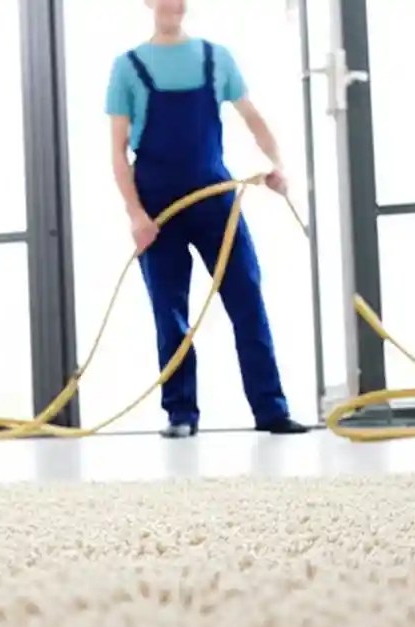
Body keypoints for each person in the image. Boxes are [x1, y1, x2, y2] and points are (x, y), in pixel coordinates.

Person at [106, 0, 310, 439]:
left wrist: (278, 165)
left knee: (246, 298)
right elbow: (117, 152)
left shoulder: (217, 59)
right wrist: (136, 215)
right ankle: (181, 412)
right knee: (170, 310)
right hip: (158, 206)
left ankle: (271, 410)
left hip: (214, 199)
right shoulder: (128, 67)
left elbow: (253, 118)